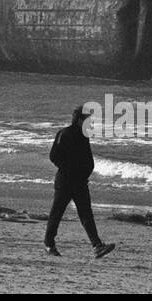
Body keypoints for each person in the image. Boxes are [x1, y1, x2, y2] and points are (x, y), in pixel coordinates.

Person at [44, 106, 116, 258]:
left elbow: (86, 159)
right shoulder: (65, 134)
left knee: (86, 214)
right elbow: (54, 156)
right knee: (57, 213)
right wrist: (70, 170)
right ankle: (49, 243)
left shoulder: (84, 135)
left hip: (80, 182)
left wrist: (83, 174)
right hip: (65, 181)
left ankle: (97, 246)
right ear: (79, 120)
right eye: (88, 120)